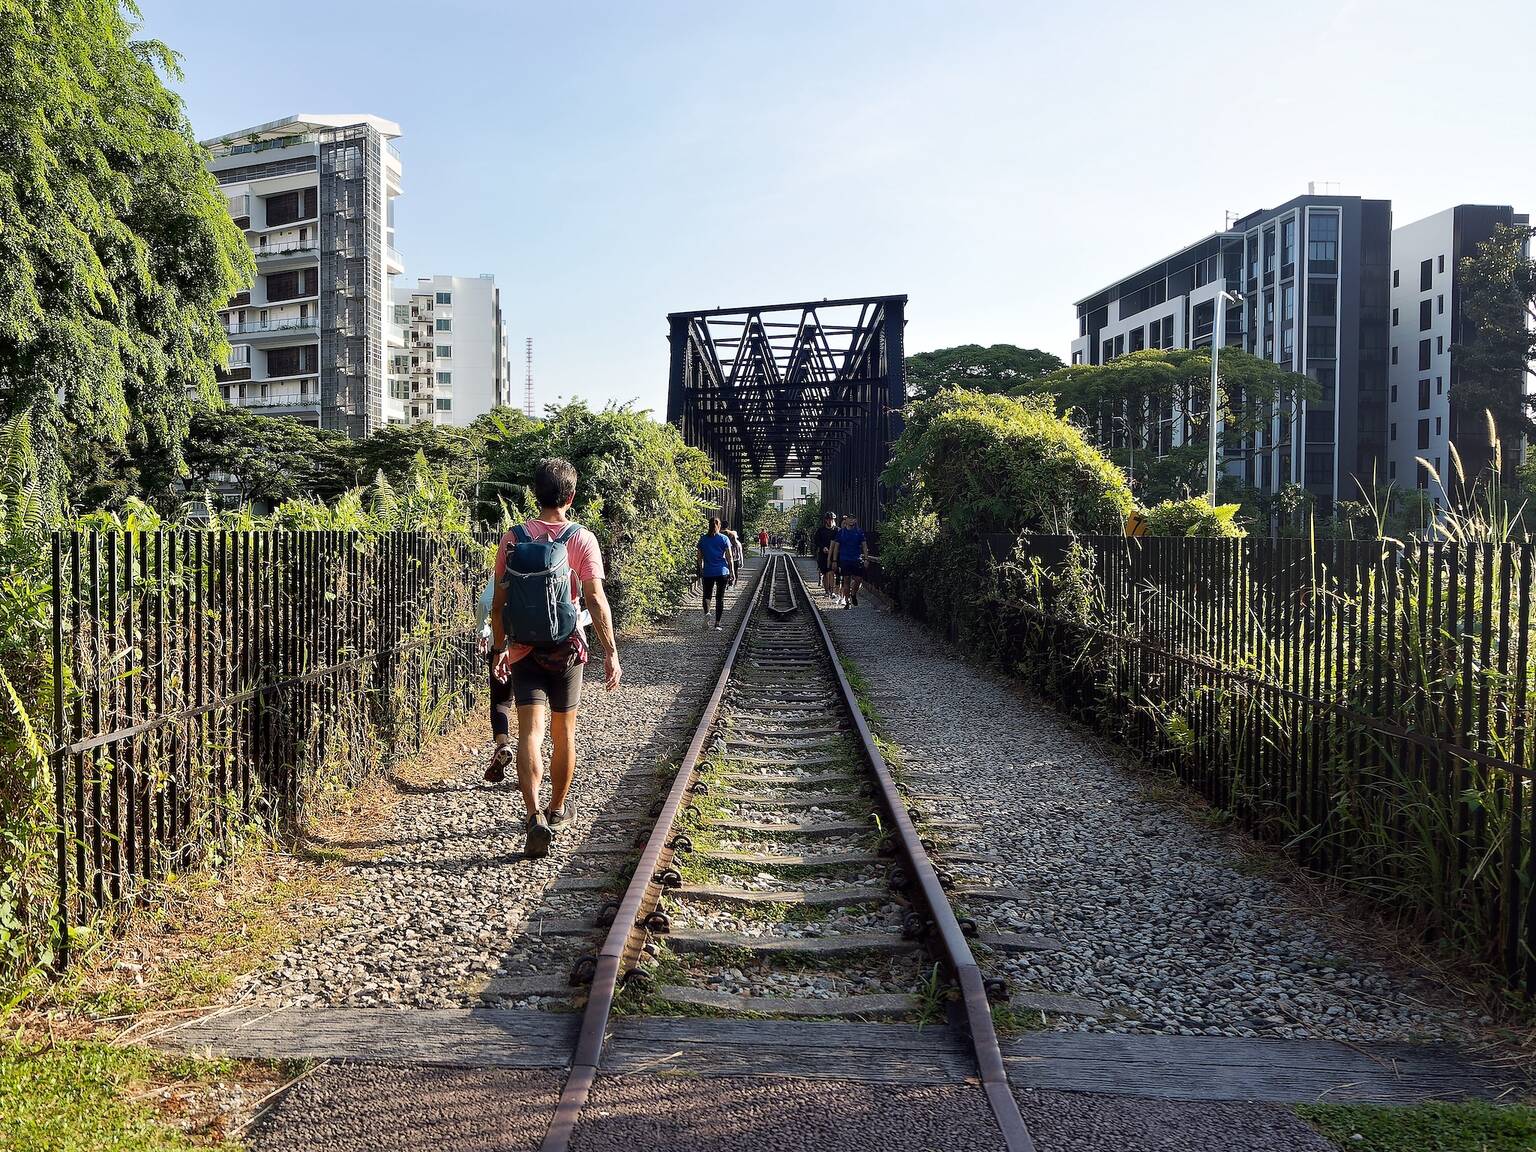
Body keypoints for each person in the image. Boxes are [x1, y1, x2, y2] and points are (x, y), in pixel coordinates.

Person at [490, 458, 623, 858]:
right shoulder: (581, 539)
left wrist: (500, 649)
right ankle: (557, 809)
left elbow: (499, 603)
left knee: (530, 731)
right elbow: (596, 600)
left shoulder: (513, 538)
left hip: (523, 650)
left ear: (536, 494)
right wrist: (611, 653)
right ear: (571, 496)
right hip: (567, 650)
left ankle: (533, 817)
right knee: (564, 734)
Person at [696, 516, 736, 630]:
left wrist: (701, 569)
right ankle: (717, 624)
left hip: (708, 571)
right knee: (720, 598)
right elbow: (729, 557)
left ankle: (707, 612)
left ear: (709, 525)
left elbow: (699, 557)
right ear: (719, 526)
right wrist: (732, 572)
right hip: (722, 572)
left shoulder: (703, 539)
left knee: (707, 595)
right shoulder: (724, 539)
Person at [831, 514, 869, 608]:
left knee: (858, 579)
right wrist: (834, 560)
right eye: (849, 518)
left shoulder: (859, 532)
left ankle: (853, 594)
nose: (851, 520)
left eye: (853, 518)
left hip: (856, 559)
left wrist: (866, 558)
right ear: (846, 520)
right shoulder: (841, 533)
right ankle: (847, 602)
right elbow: (836, 547)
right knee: (846, 580)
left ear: (855, 520)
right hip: (845, 560)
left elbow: (864, 545)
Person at [812, 511, 838, 598]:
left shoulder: (837, 530)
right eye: (829, 519)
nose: (830, 521)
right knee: (825, 573)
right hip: (823, 554)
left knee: (832, 572)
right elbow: (816, 541)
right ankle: (827, 591)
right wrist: (823, 547)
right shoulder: (821, 530)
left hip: (834, 554)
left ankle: (832, 591)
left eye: (832, 519)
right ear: (826, 520)